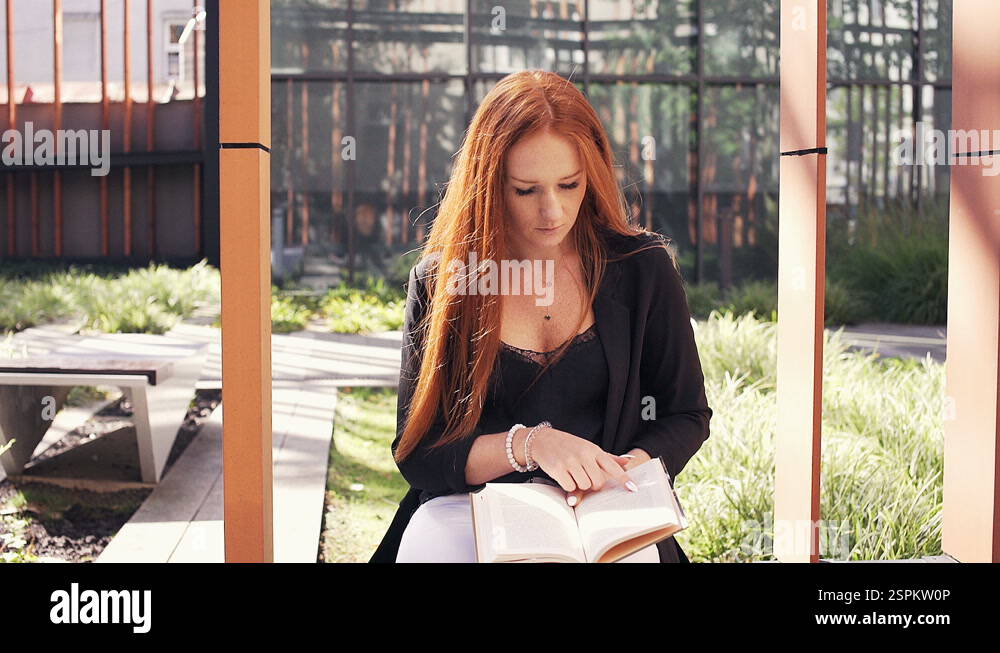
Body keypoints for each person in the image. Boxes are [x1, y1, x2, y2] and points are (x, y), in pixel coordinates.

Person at [370, 70, 713, 563]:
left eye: (569, 185)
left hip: (603, 524)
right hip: (470, 521)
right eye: (526, 190)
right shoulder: (447, 281)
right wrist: (530, 445)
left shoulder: (642, 271)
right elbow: (419, 453)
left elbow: (685, 414)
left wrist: (625, 471)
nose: (552, 211)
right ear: (489, 185)